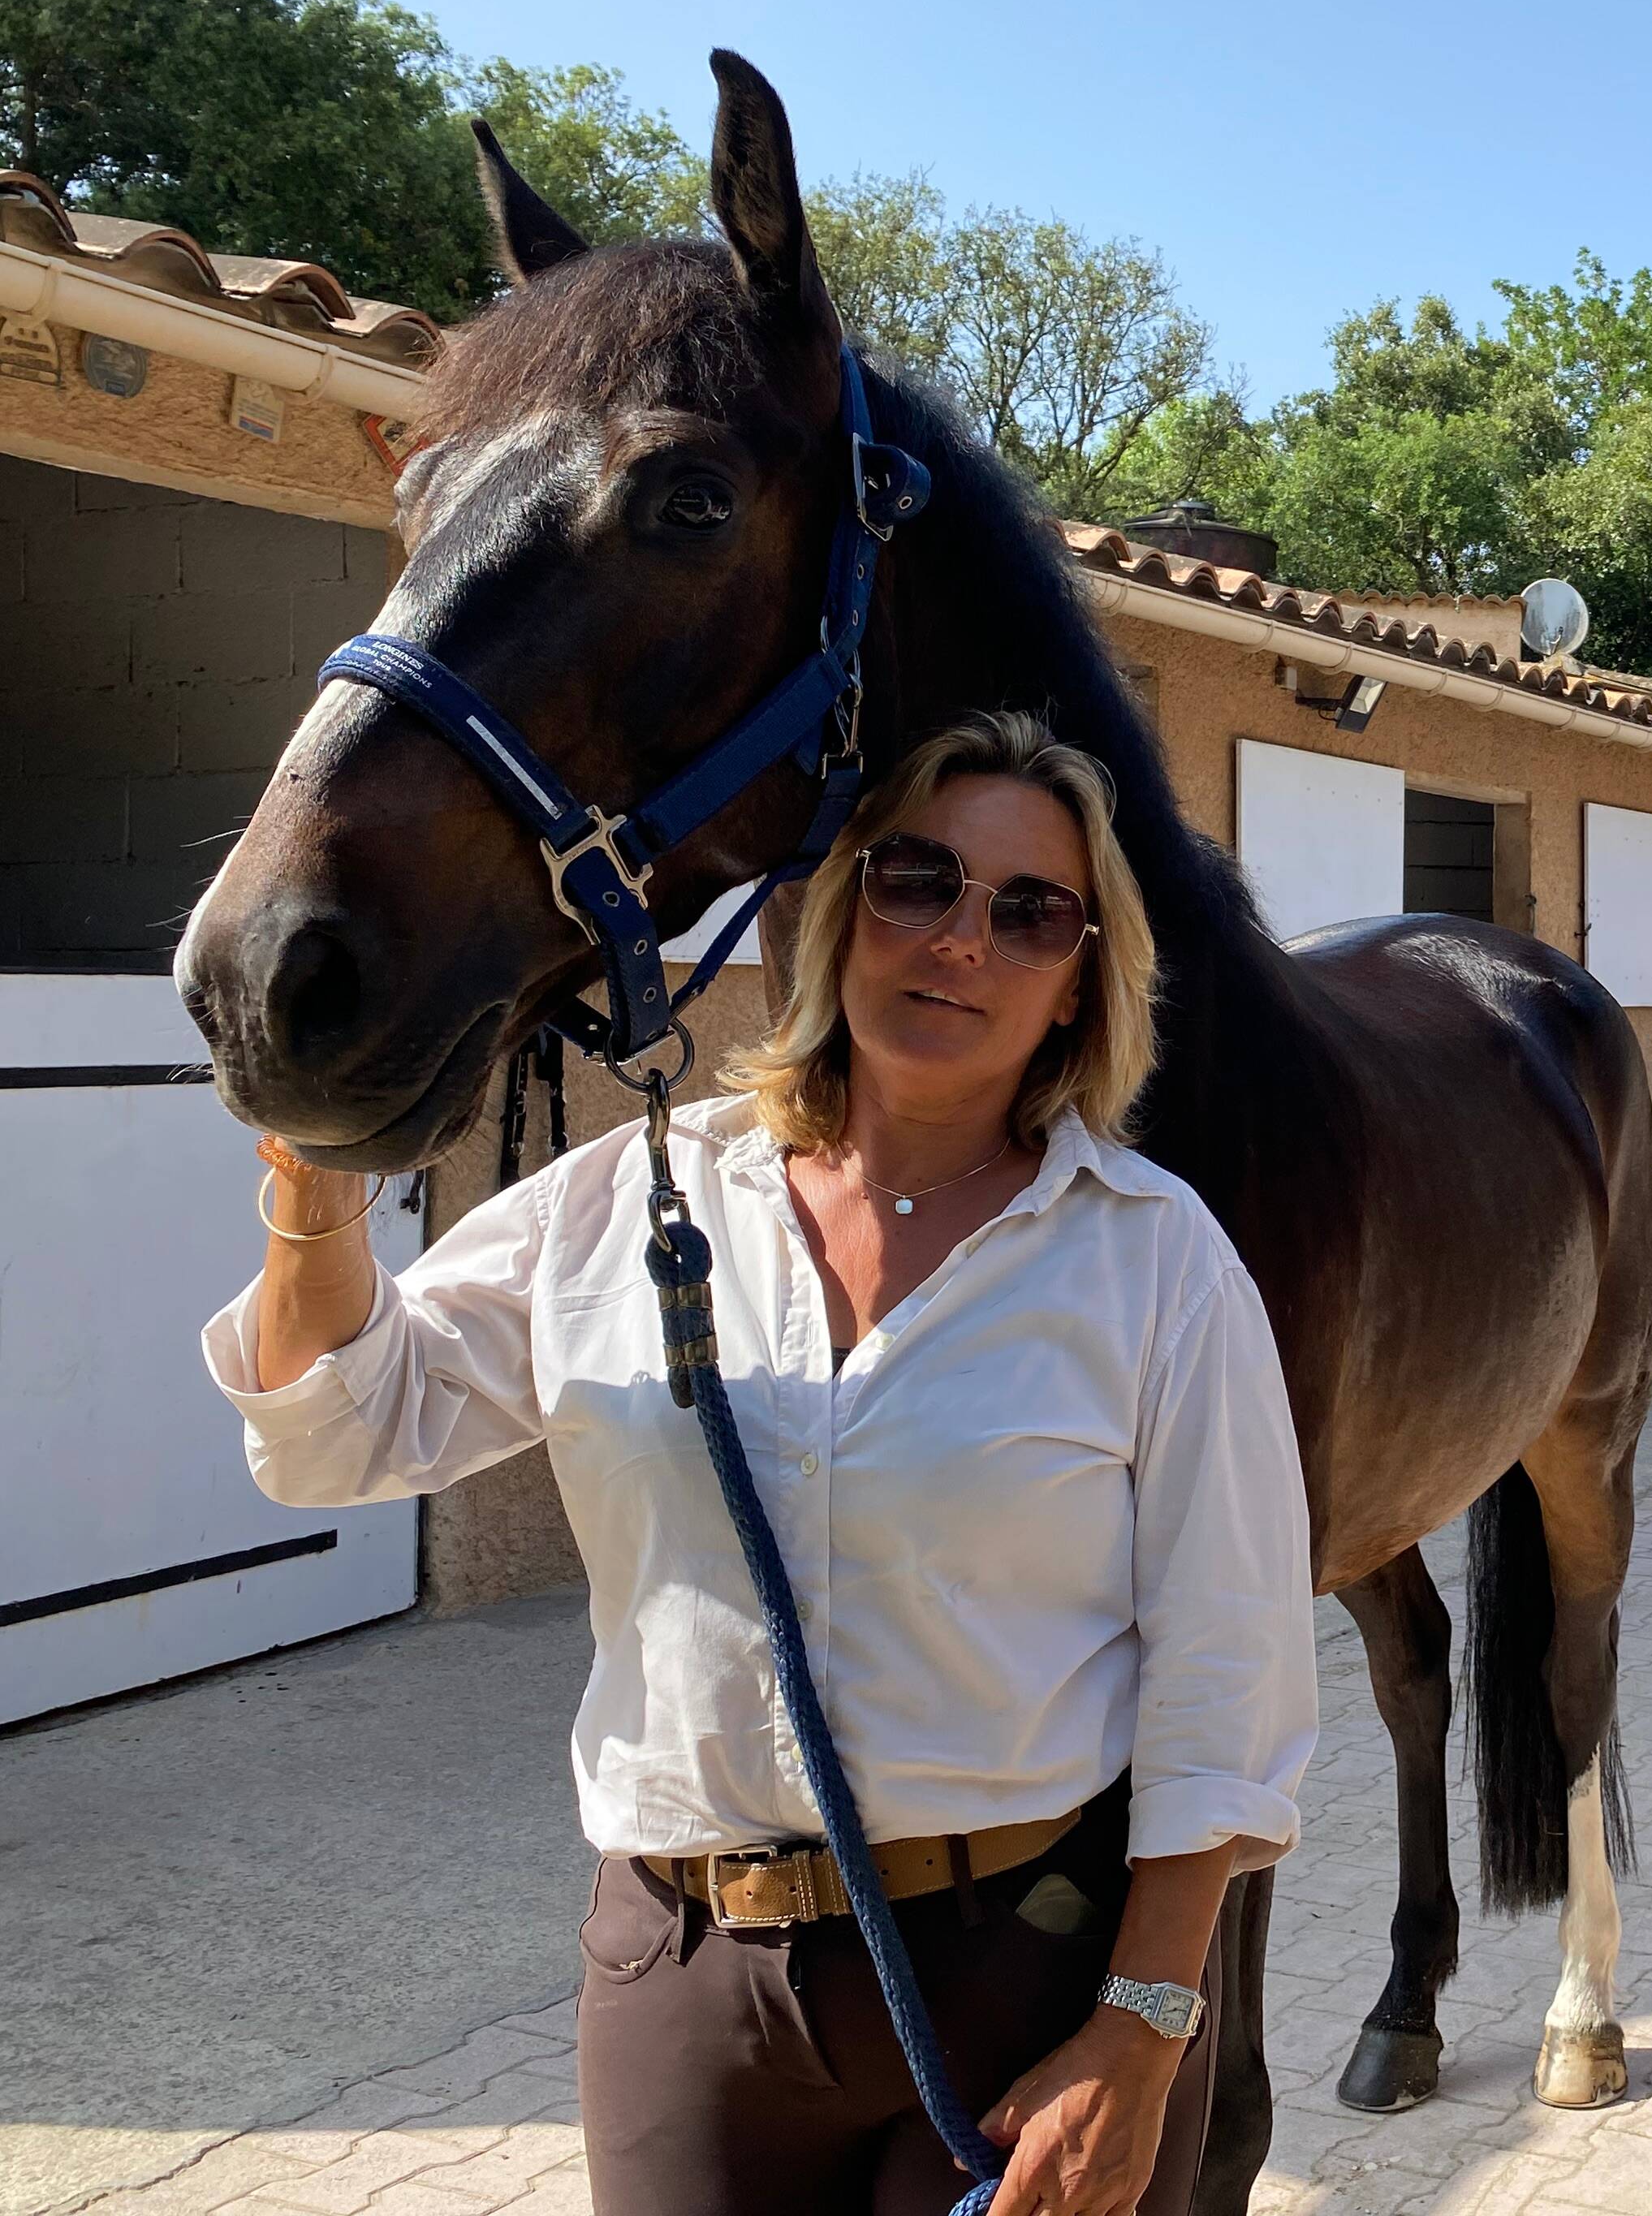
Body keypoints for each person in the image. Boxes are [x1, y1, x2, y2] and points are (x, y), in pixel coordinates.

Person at [212, 711, 1316, 2216]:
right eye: (915, 878)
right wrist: (315, 1197)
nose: (961, 938)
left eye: (1028, 909)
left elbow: (1228, 1682)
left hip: (1023, 1962)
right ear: (842, 908)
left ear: (1079, 980)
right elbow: (347, 1423)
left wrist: (1143, 2027)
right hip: (687, 1971)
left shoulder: (1154, 1259)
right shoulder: (629, 1194)